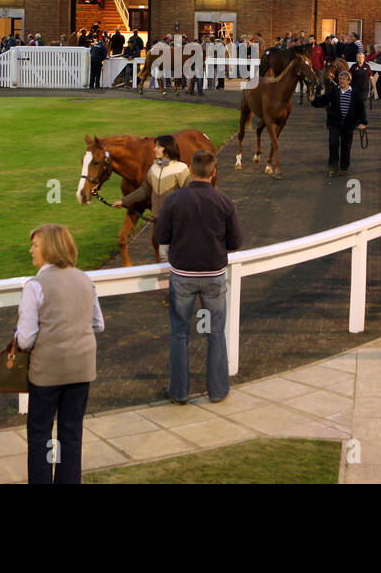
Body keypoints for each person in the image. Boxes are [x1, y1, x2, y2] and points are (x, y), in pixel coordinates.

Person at [14, 223, 104, 484]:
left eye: (35, 245)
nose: (31, 250)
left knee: (40, 435)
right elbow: (98, 324)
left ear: (49, 249)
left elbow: (26, 339)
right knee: (71, 432)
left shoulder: (35, 286)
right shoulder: (86, 279)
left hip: (47, 374)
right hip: (81, 369)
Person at [154, 151, 241, 404]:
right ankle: (218, 390)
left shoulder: (175, 200)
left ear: (191, 171)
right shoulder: (224, 201)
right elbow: (235, 241)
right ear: (213, 172)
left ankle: (179, 392)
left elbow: (162, 236)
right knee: (215, 332)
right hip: (214, 275)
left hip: (182, 275)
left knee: (179, 333)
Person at [111, 135, 191, 263]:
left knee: (178, 258)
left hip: (176, 222)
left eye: (158, 147)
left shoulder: (181, 169)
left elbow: (190, 193)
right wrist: (124, 201)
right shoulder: (154, 168)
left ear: (167, 149)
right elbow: (144, 190)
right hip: (160, 222)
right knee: (164, 258)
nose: (155, 149)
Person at [311, 69, 369, 178]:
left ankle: (344, 168)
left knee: (346, 146)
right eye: (340, 79)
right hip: (334, 123)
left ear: (349, 81)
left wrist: (363, 122)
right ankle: (333, 167)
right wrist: (314, 100)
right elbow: (322, 100)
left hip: (348, 124)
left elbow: (361, 109)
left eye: (344, 79)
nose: (341, 81)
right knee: (333, 143)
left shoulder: (355, 94)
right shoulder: (334, 91)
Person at [350, 50, 374, 117]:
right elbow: (349, 76)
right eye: (359, 57)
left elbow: (371, 77)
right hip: (355, 89)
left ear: (364, 59)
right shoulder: (353, 66)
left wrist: (374, 87)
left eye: (362, 57)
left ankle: (362, 121)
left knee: (362, 105)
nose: (360, 59)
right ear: (357, 59)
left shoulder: (367, 66)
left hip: (364, 89)